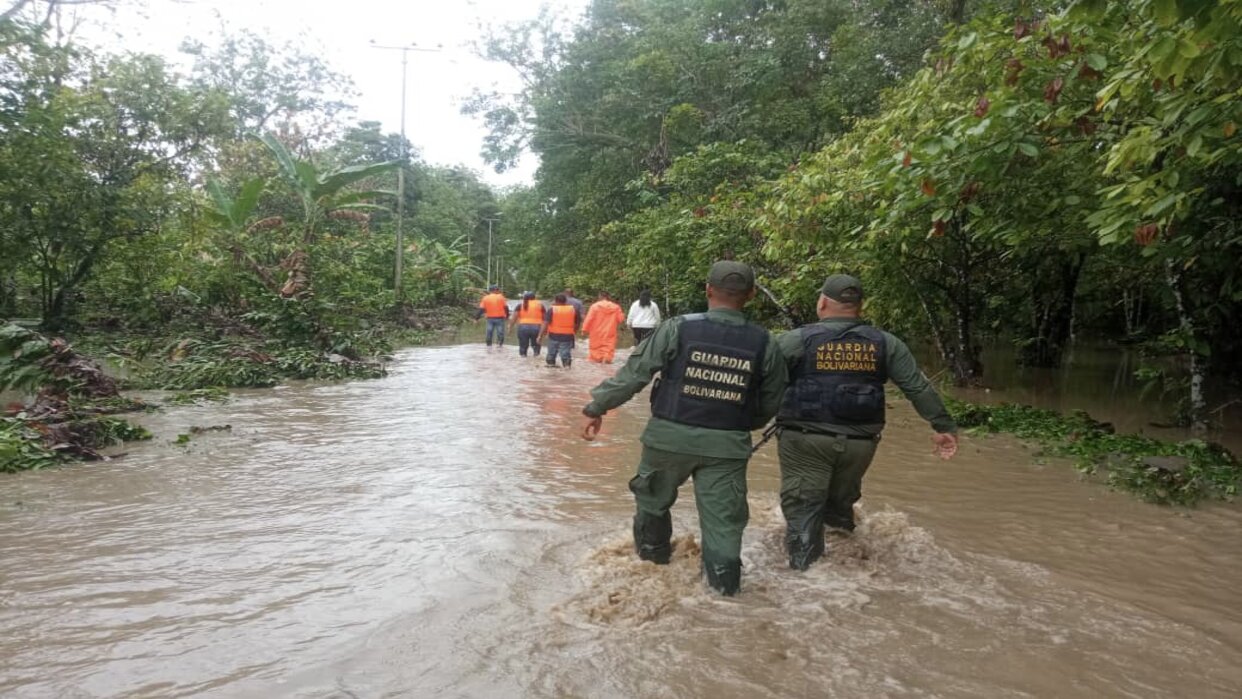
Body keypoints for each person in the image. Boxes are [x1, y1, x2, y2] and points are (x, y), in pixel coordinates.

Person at [579, 261, 788, 596]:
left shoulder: (677, 328)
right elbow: (772, 399)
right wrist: (742, 426)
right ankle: (723, 594)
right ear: (750, 295)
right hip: (726, 447)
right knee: (724, 525)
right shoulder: (765, 343)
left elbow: (636, 373)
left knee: (651, 505)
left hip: (667, 439)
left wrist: (597, 406)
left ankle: (651, 574)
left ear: (708, 290)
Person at [775, 274, 958, 570]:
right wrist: (943, 427)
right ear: (860, 306)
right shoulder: (886, 343)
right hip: (860, 445)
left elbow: (758, 380)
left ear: (822, 302)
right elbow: (918, 387)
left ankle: (807, 584)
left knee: (804, 512)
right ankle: (846, 570)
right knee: (839, 511)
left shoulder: (796, 340)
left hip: (806, 440)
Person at [582, 291, 626, 363]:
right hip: (610, 330)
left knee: (595, 348)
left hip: (596, 331)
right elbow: (620, 319)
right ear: (608, 297)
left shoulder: (594, 306)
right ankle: (606, 359)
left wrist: (584, 329)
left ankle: (597, 361)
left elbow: (589, 318)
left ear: (600, 297)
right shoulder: (616, 307)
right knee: (608, 347)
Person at [541, 293, 581, 368]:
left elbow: (545, 323)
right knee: (565, 354)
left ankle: (551, 368)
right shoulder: (573, 309)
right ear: (565, 301)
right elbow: (578, 323)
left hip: (553, 335)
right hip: (567, 336)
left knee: (551, 353)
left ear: (555, 301)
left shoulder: (552, 309)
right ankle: (566, 367)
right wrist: (574, 331)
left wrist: (540, 335)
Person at [511, 291, 545, 357]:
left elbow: (514, 317)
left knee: (523, 346)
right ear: (534, 297)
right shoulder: (540, 305)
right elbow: (545, 319)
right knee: (536, 345)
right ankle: (536, 356)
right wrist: (545, 330)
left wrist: (510, 326)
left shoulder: (520, 305)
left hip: (523, 327)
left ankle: (523, 357)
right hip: (537, 327)